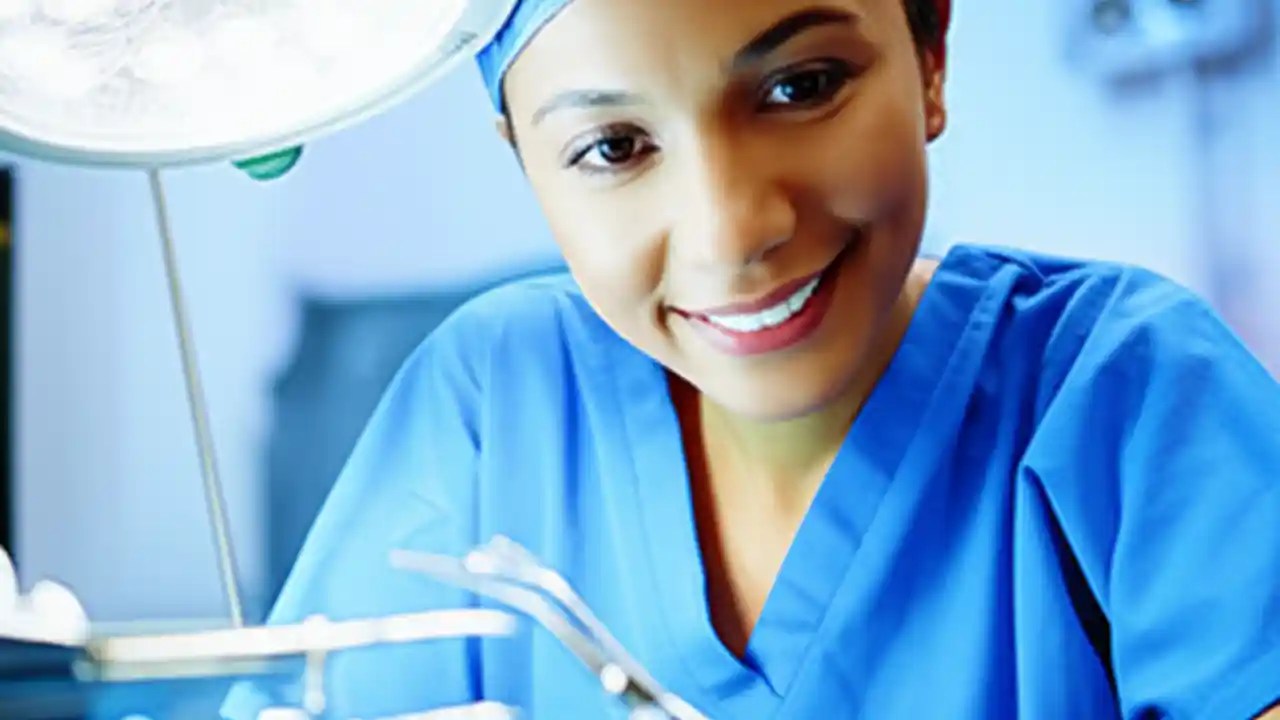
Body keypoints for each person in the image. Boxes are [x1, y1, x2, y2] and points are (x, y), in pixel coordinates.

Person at [223, 0, 1280, 717]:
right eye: (613, 147)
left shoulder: (1127, 392)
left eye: (800, 86)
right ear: (525, 161)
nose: (732, 230)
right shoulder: (490, 404)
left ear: (929, 55)